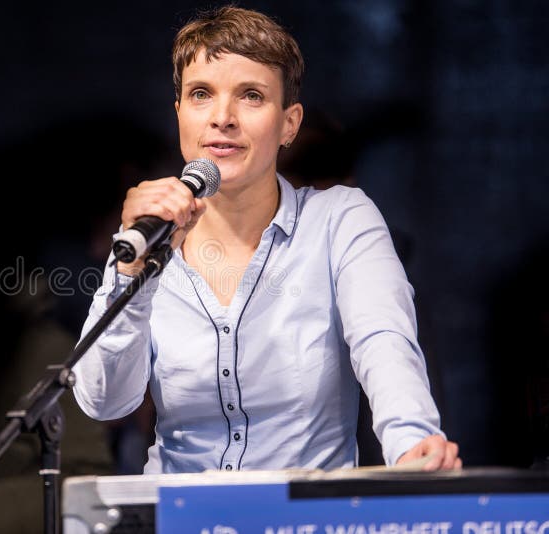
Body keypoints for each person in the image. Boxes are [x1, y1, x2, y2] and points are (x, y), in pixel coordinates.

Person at [72, 6, 460, 474]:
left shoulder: (339, 220)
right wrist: (132, 275)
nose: (222, 118)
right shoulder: (150, 232)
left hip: (300, 518)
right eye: (201, 94)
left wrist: (411, 441)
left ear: (289, 124)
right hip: (175, 514)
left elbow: (383, 340)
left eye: (251, 96)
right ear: (179, 115)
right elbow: (104, 402)